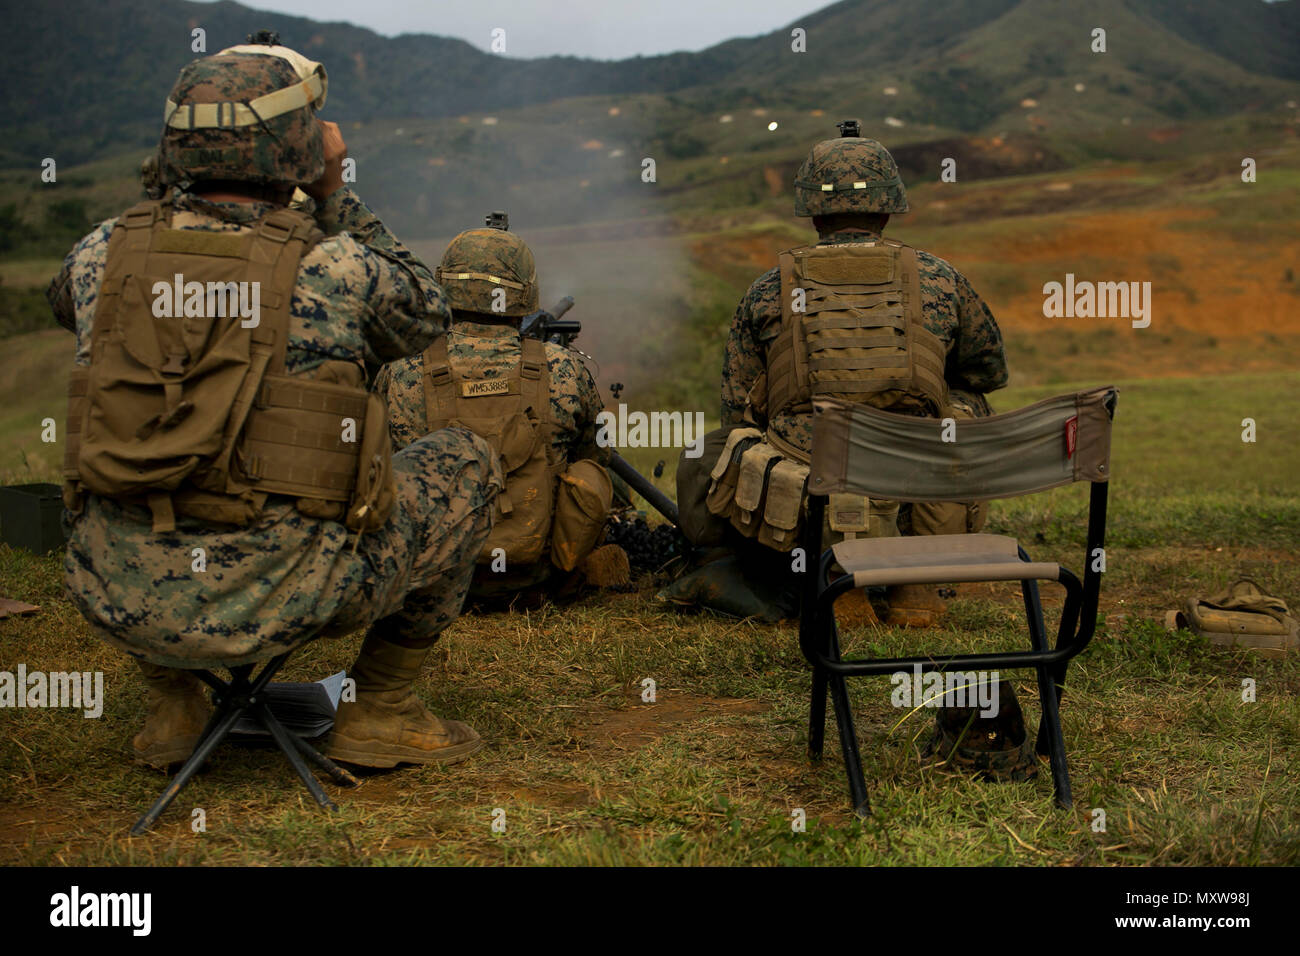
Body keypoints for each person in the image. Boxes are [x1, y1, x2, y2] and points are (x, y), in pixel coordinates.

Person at [49, 36, 501, 772]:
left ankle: (175, 707)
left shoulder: (99, 255)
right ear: (297, 144)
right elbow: (428, 314)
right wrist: (331, 190)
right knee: (464, 462)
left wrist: (170, 205)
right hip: (298, 591)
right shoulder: (337, 265)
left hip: (117, 588)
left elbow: (71, 303)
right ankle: (380, 711)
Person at [672, 120, 1034, 779]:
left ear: (812, 207)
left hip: (816, 475)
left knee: (726, 441)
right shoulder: (941, 279)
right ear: (890, 203)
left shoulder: (767, 288)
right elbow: (987, 374)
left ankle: (840, 582)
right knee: (961, 409)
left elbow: (735, 401)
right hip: (913, 459)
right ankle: (920, 585)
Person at [374, 213, 625, 603]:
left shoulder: (402, 366)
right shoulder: (562, 367)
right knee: (589, 473)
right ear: (524, 292)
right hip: (533, 578)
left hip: (423, 583)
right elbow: (597, 453)